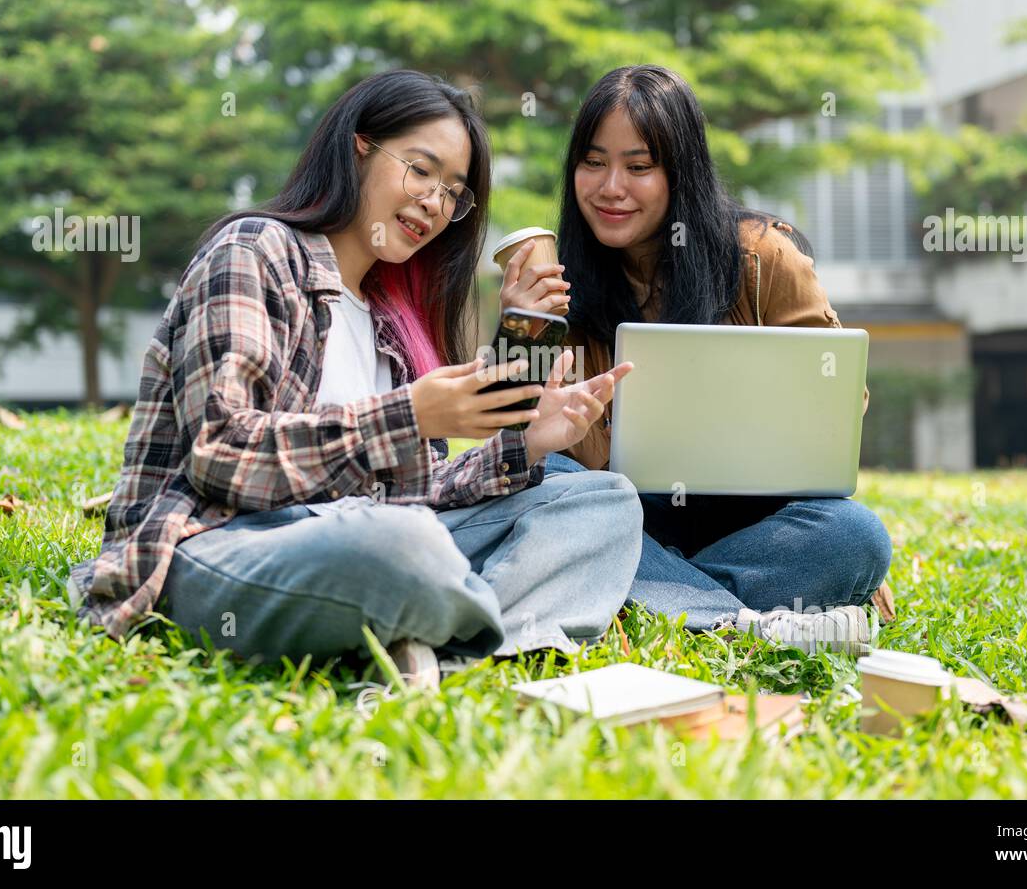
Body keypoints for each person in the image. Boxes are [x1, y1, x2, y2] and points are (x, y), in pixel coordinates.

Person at [66, 70, 642, 686]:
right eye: (421, 170)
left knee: (601, 502)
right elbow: (219, 453)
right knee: (399, 548)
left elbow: (414, 496)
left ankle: (441, 648)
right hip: (227, 545)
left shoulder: (394, 322)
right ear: (358, 146)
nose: (435, 204)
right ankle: (459, 621)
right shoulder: (256, 251)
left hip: (375, 535)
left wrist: (528, 443)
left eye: (453, 193)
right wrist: (411, 415)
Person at [498, 64, 892, 655]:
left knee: (854, 538)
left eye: (638, 166)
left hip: (751, 520)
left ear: (679, 173)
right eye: (593, 162)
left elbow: (836, 397)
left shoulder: (761, 260)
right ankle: (733, 620)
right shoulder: (555, 285)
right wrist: (520, 332)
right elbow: (509, 455)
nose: (610, 188)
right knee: (546, 480)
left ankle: (635, 596)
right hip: (616, 515)